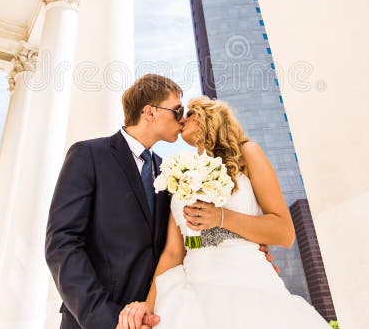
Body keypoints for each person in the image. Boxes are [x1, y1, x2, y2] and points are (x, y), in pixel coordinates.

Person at [116, 96, 331, 329]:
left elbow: (284, 232)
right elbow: (173, 253)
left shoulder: (247, 153)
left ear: (211, 117)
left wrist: (221, 217)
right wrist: (147, 308)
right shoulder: (179, 174)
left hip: (247, 281)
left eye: (190, 114)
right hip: (194, 288)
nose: (182, 120)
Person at [45, 74, 183, 328]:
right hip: (95, 320)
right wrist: (105, 318)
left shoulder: (170, 172)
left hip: (153, 318)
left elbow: (174, 244)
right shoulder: (88, 155)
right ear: (149, 112)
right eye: (177, 110)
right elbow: (62, 244)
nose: (182, 119)